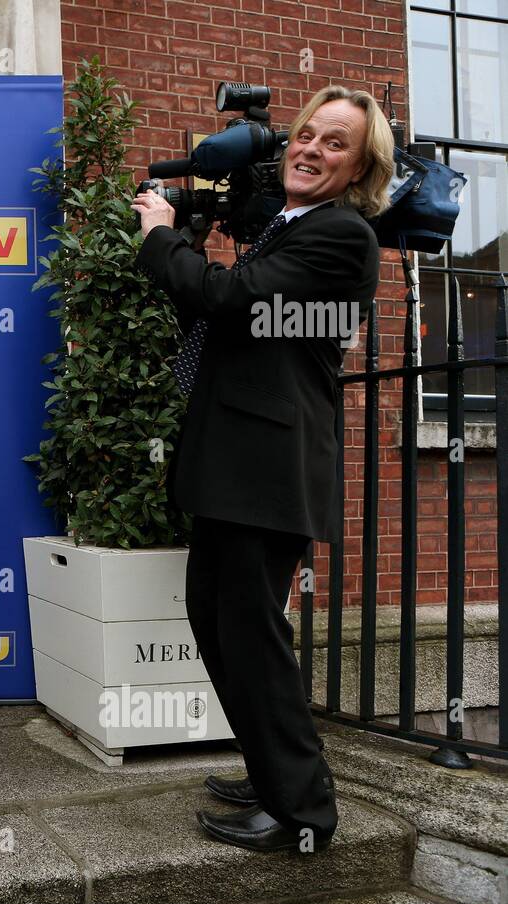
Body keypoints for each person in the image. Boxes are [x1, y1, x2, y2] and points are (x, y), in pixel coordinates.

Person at [131, 85, 395, 853]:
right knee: (218, 622)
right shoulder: (288, 224)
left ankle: (302, 812)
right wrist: (193, 233)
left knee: (250, 634)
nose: (312, 149)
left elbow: (229, 298)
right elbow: (220, 319)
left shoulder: (341, 234)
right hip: (234, 462)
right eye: (307, 134)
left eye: (335, 143)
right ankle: (269, 767)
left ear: (360, 168)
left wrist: (160, 235)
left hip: (267, 468)